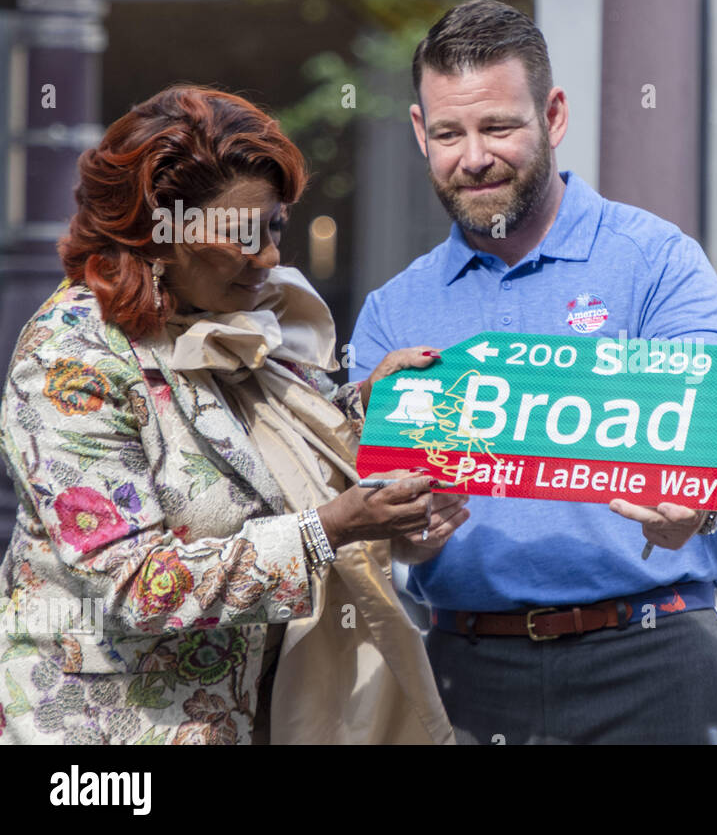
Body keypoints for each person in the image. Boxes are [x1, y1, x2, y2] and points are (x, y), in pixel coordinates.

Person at [0, 85, 464, 744]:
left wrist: (369, 415)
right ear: (153, 233)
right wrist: (329, 529)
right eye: (240, 236)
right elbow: (132, 585)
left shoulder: (237, 320)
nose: (270, 257)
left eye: (273, 227)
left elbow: (279, 453)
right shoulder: (72, 363)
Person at [348, 0, 717, 744]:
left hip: (654, 660)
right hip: (464, 670)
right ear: (417, 133)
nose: (474, 157)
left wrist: (697, 503)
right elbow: (369, 519)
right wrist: (407, 531)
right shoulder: (391, 312)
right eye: (448, 133)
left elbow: (716, 436)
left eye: (499, 126)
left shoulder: (658, 260)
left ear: (554, 116)